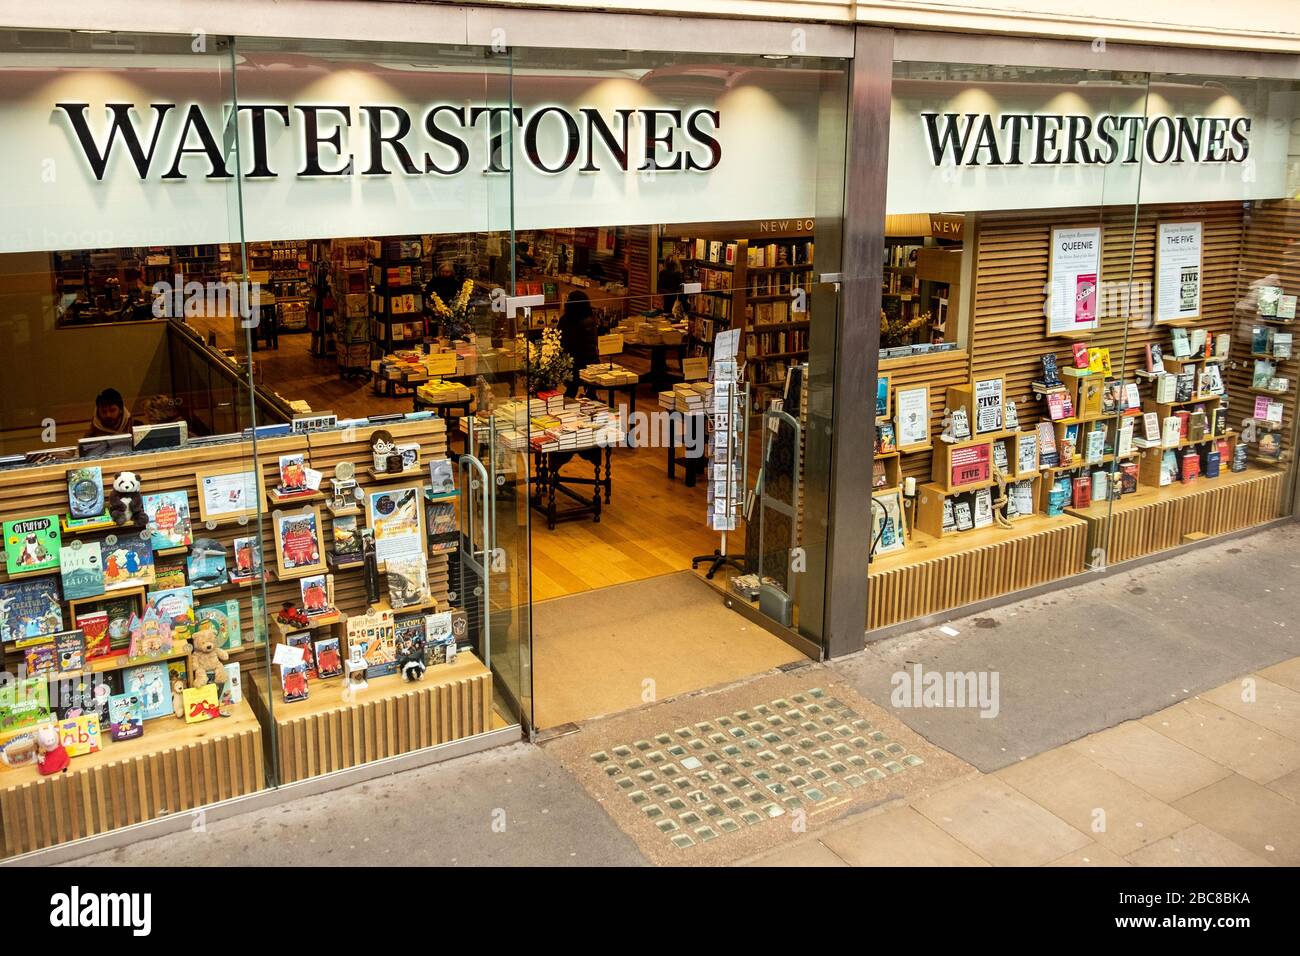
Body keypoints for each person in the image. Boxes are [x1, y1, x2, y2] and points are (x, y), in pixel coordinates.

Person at [558, 291, 598, 398]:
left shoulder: (565, 319)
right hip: (588, 361)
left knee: (571, 390)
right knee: (590, 393)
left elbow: (560, 340)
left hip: (571, 361)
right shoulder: (589, 320)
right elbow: (592, 345)